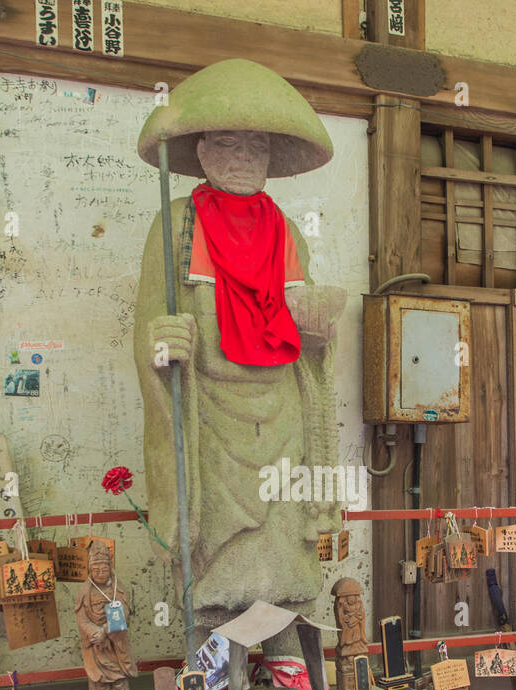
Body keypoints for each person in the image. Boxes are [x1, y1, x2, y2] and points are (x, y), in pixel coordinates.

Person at [134, 60, 347, 647]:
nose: (243, 157)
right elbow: (147, 328)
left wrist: (320, 329)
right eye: (227, 143)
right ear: (200, 152)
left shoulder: (286, 231)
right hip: (209, 419)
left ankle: (283, 660)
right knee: (215, 559)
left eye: (256, 145)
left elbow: (305, 334)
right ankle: (213, 674)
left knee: (282, 553)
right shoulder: (174, 227)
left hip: (279, 412)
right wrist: (163, 343)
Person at [73, 541, 136, 690]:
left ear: (110, 566)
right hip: (95, 645)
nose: (100, 572)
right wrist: (95, 633)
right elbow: (81, 619)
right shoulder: (84, 591)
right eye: (96, 568)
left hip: (115, 642)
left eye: (104, 568)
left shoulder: (118, 587)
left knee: (118, 677)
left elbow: (125, 612)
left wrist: (106, 631)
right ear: (90, 569)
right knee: (98, 679)